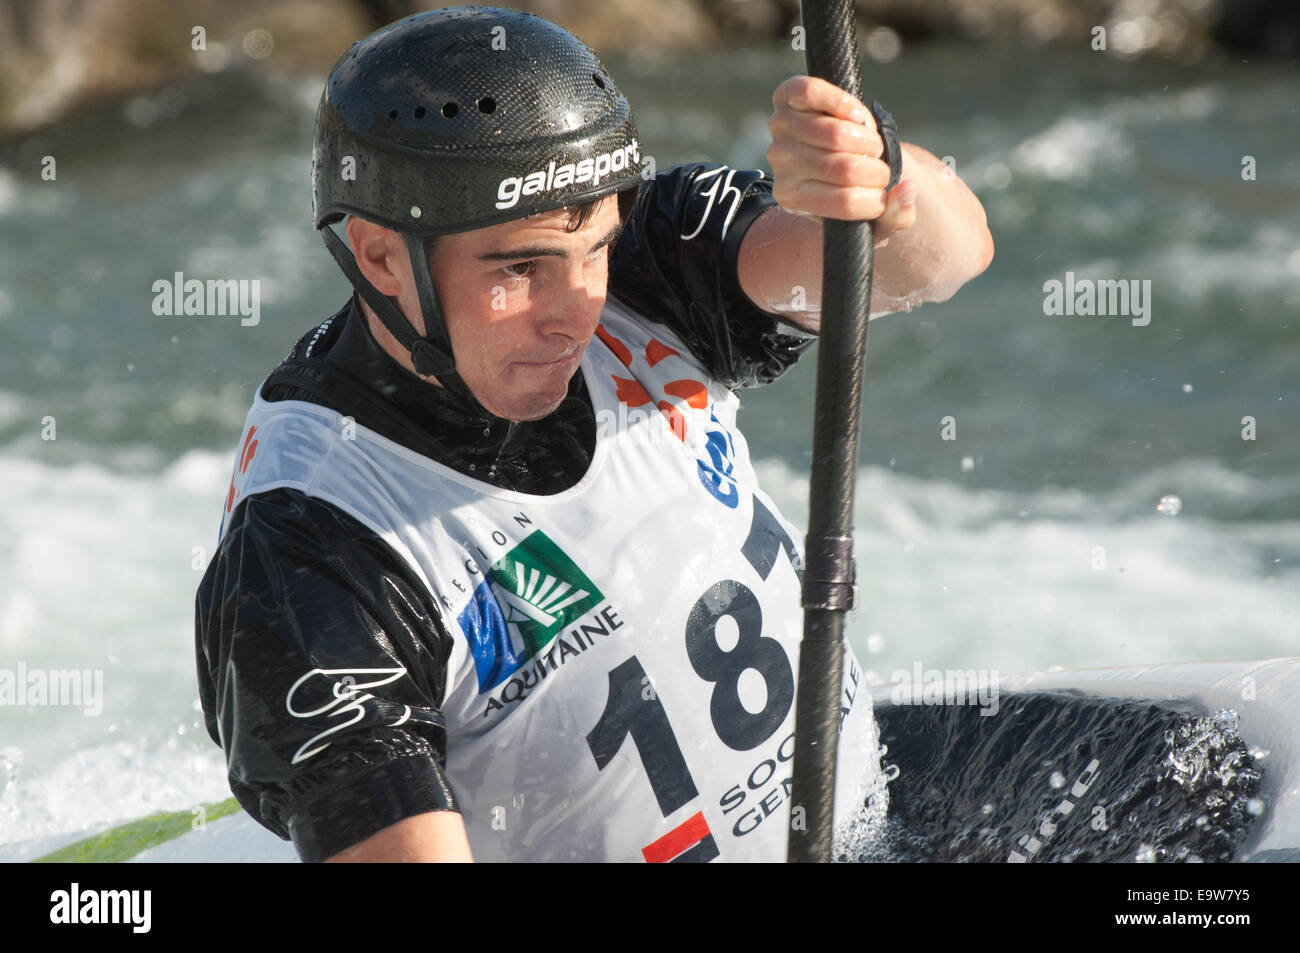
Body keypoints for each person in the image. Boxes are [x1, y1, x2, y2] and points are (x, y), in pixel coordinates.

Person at [195, 5, 992, 863]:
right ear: (383, 256)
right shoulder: (311, 551)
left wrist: (881, 184)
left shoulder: (646, 263)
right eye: (519, 268)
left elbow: (947, 260)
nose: (575, 315)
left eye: (595, 249)